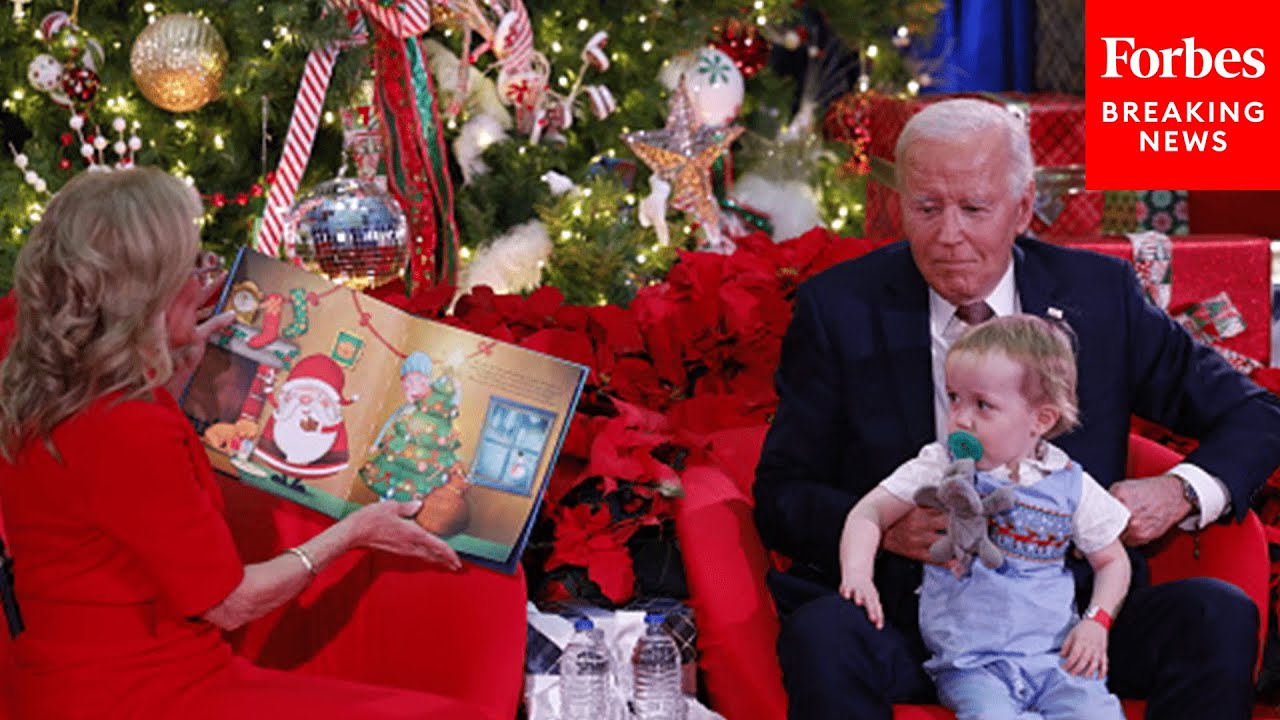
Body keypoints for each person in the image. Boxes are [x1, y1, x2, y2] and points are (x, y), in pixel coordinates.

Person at [754, 98, 1280, 720]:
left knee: (1215, 614)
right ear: (898, 207)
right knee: (822, 635)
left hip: (1070, 625)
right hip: (907, 616)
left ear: (1024, 206)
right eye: (927, 208)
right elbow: (782, 493)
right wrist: (886, 530)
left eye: (974, 209)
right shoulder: (838, 308)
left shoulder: (1099, 296)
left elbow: (1257, 413)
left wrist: (1179, 492)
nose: (949, 235)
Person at [0, 167, 489, 720]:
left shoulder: (50, 390)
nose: (203, 282)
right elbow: (231, 604)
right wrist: (353, 532)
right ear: (147, 292)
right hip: (141, 693)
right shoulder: (126, 424)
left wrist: (174, 364)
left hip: (73, 682)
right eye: (192, 267)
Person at [840, 315, 1130, 719]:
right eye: (954, 398)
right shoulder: (941, 465)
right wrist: (858, 573)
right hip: (973, 664)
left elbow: (1113, 559)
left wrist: (1096, 621)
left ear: (1041, 420)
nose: (960, 418)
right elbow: (868, 511)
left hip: (1057, 659)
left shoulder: (1069, 482)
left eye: (982, 405)